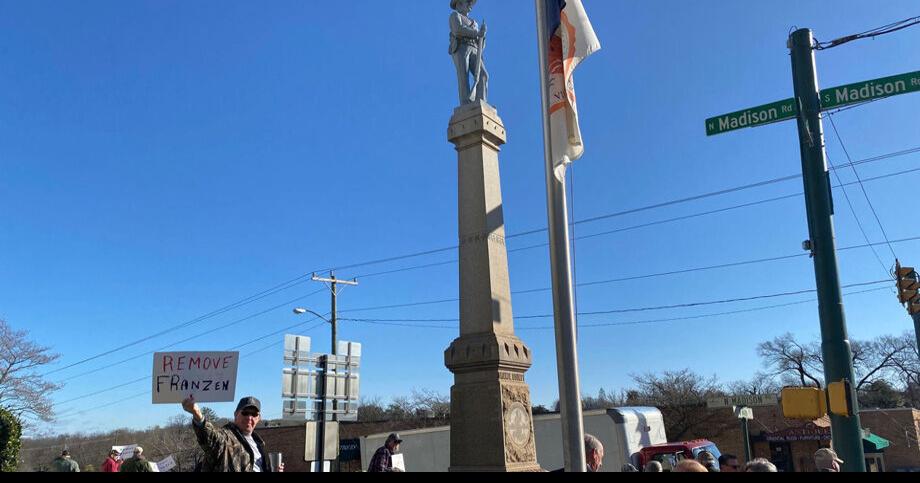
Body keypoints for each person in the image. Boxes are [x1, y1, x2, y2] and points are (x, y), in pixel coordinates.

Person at [182, 395, 284, 472]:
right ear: (235, 414)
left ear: (259, 418)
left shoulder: (259, 444)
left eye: (254, 414)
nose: (249, 417)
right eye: (245, 412)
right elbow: (211, 438)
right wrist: (197, 414)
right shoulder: (226, 437)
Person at [449, 0, 489, 104]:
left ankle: (481, 101)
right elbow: (458, 30)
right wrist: (477, 33)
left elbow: (481, 46)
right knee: (463, 76)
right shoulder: (455, 16)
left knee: (483, 75)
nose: (470, 5)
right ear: (459, 4)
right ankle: (466, 103)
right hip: (461, 47)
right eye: (467, 2)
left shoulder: (474, 22)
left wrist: (482, 36)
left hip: (474, 49)